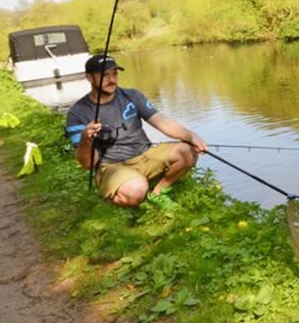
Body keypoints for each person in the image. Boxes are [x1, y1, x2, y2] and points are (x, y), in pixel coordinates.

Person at [65, 53, 207, 209]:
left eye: (114, 74)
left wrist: (191, 136)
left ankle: (158, 192)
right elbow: (87, 164)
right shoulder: (78, 112)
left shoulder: (132, 95)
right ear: (90, 78)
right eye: (105, 75)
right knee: (136, 191)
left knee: (187, 151)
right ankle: (116, 196)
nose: (112, 80)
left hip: (145, 155)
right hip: (112, 166)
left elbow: (162, 122)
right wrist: (86, 139)